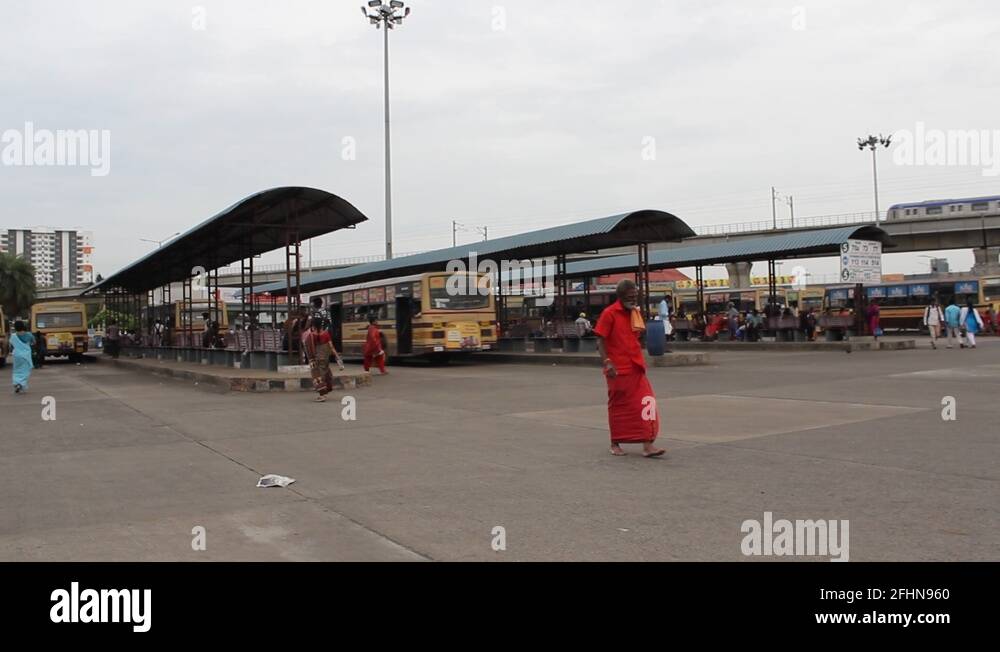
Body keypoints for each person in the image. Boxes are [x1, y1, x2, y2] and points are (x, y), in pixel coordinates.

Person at [594, 280, 664, 459]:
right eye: (630, 296)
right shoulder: (609, 313)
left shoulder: (635, 313)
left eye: (635, 296)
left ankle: (648, 444)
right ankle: (615, 442)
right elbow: (600, 339)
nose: (634, 299)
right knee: (618, 406)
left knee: (647, 402)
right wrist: (607, 361)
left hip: (636, 367)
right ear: (621, 296)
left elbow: (635, 337)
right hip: (617, 369)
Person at [302, 320, 343, 402]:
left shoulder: (311, 336)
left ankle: (322, 395)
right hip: (325, 359)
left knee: (318, 376)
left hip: (315, 360)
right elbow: (331, 347)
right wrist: (337, 357)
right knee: (324, 375)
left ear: (313, 326)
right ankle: (325, 392)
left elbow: (307, 347)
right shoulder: (326, 334)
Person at [10, 321, 34, 394]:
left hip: (17, 355)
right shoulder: (28, 335)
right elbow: (33, 342)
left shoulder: (13, 335)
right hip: (26, 355)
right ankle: (21, 384)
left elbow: (11, 344)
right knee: (25, 370)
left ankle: (16, 383)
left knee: (17, 370)